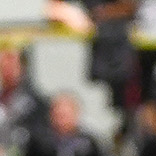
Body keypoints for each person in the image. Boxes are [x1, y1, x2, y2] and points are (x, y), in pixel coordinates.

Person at [45, 0, 138, 137]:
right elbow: (52, 9)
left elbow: (130, 7)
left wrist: (99, 15)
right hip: (99, 60)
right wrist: (75, 15)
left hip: (129, 64)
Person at [0, 46, 50, 156]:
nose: (6, 71)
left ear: (22, 68)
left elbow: (41, 138)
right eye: (2, 67)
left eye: (11, 66)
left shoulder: (37, 104)